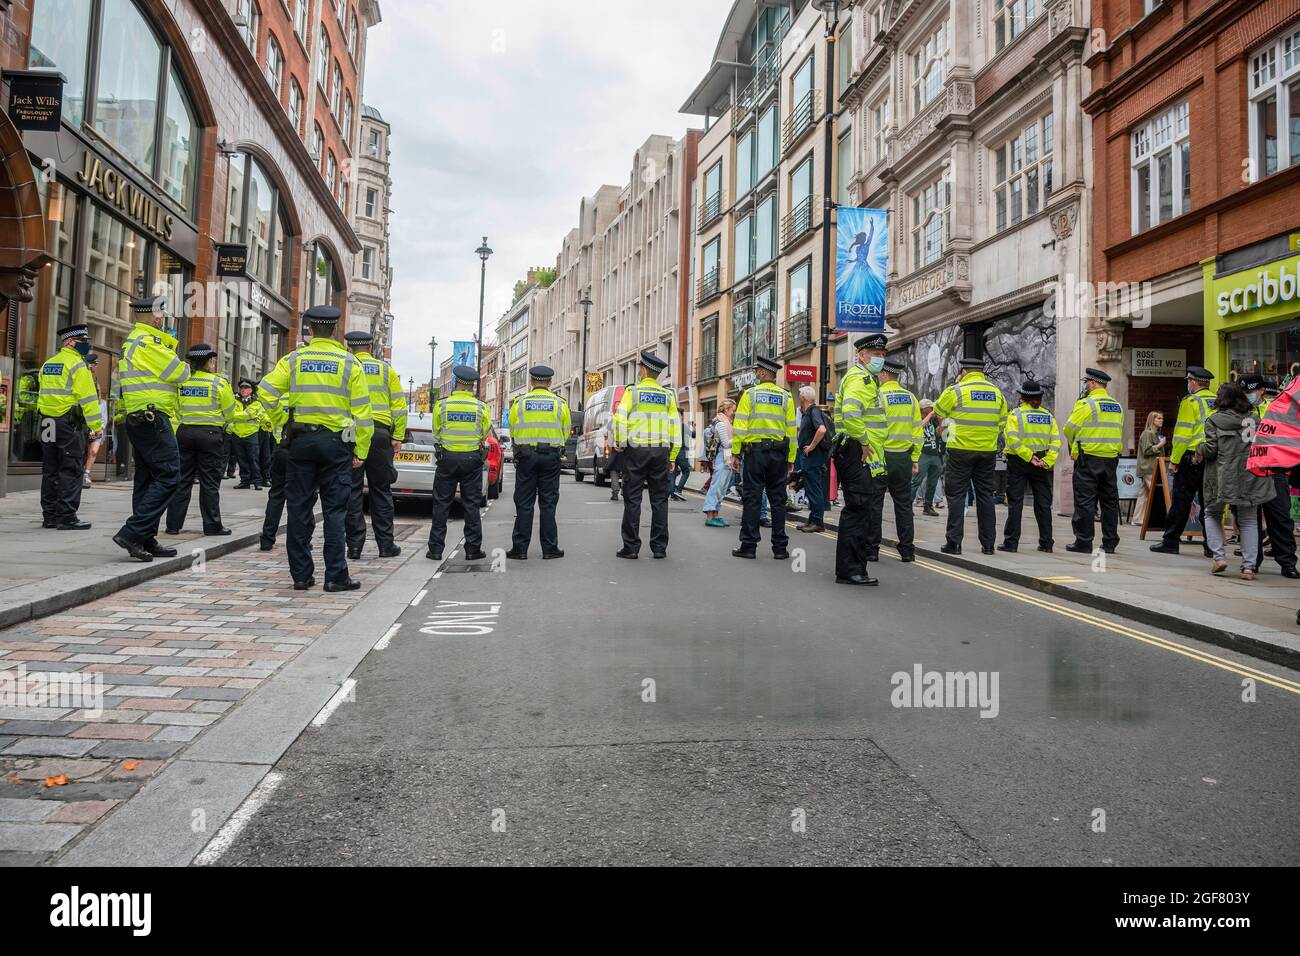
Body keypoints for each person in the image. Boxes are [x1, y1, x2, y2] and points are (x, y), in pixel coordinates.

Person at [257, 305, 372, 592]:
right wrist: (361, 450)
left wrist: (282, 421)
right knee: (335, 511)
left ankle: (300, 575)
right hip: (336, 445)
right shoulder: (349, 363)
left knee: (298, 507)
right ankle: (335, 576)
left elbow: (265, 391)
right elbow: (363, 414)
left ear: (309, 329)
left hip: (300, 442)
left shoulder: (294, 360)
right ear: (334, 330)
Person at [112, 297, 190, 562]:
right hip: (153, 417)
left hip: (139, 417)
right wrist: (174, 350)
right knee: (169, 476)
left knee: (146, 480)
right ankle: (132, 533)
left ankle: (145, 537)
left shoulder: (132, 340)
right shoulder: (149, 342)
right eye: (162, 315)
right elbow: (179, 373)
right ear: (156, 318)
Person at [1201, 381, 1276, 580]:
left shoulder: (1214, 420)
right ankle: (1249, 567)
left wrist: (1199, 450)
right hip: (1250, 474)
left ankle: (1219, 558)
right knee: (1250, 519)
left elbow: (1211, 450)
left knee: (1211, 512)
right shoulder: (1254, 418)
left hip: (1221, 475)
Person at [933, 357, 1008, 555]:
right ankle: (988, 545)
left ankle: (954, 543)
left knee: (957, 496)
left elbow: (939, 409)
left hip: (960, 451)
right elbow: (1002, 423)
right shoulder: (997, 393)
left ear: (964, 372)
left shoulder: (957, 390)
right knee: (985, 496)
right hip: (987, 452)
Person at [831, 333, 889, 585]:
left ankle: (852, 568)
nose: (880, 359)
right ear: (862, 356)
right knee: (858, 510)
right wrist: (864, 441)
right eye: (876, 355)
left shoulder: (866, 379)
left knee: (859, 509)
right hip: (857, 450)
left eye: (883, 355)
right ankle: (851, 570)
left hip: (857, 450)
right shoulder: (860, 379)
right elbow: (852, 413)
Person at [164, 344, 239, 536]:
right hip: (210, 435)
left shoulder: (183, 382)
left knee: (182, 481)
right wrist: (225, 424)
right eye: (211, 359)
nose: (213, 362)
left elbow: (175, 407)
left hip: (185, 432)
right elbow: (231, 411)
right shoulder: (218, 383)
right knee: (210, 482)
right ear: (207, 361)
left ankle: (173, 525)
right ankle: (212, 525)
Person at [344, 330, 405, 560]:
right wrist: (397, 436)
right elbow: (398, 406)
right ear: (370, 348)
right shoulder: (386, 370)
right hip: (380, 434)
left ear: (350, 348)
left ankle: (355, 546)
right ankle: (385, 545)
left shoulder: (347, 366)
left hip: (352, 432)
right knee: (381, 491)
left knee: (352, 491)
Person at [613, 350, 679, 559]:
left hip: (636, 451)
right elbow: (675, 427)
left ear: (643, 369)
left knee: (632, 499)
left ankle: (631, 548)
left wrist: (620, 442)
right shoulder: (668, 395)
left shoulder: (633, 392)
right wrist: (673, 456)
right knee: (659, 500)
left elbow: (620, 418)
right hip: (661, 452)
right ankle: (659, 548)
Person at [37, 323, 102, 530]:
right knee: (71, 469)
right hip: (68, 424)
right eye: (82, 342)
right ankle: (66, 517)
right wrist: (96, 426)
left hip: (47, 422)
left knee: (50, 470)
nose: (85, 346)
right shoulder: (77, 364)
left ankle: (49, 516)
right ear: (70, 342)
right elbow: (89, 399)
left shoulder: (48, 364)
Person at [731, 355, 796, 560]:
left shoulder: (750, 394)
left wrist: (735, 453)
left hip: (755, 454)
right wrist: (790, 459)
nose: (756, 374)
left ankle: (749, 546)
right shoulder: (787, 397)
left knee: (752, 498)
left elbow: (740, 426)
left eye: (757, 371)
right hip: (778, 455)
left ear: (761, 373)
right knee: (778, 501)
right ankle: (779, 548)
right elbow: (792, 432)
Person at [429, 365, 492, 561]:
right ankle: (472, 549)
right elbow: (485, 433)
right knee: (471, 505)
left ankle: (436, 550)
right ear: (472, 386)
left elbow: (436, 433)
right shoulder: (481, 407)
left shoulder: (442, 405)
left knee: (441, 504)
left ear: (456, 383)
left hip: (447, 459)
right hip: (471, 460)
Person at [1150, 366, 1216, 555]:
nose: (1188, 384)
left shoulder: (1190, 402)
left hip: (1191, 458)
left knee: (1181, 501)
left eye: (1188, 380)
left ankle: (1170, 541)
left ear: (1193, 382)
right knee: (1209, 504)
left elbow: (1182, 435)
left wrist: (1174, 461)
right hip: (1212, 457)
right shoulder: (1217, 401)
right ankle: (1212, 546)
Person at [1063, 368, 1124, 554]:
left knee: (1085, 501)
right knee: (1109, 503)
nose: (1085, 385)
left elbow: (1069, 429)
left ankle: (1084, 541)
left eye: (1086, 382)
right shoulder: (1117, 405)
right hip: (1111, 460)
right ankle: (1110, 542)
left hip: (1088, 459)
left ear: (1092, 383)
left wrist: (1075, 446)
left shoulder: (1086, 404)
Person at [1243, 374, 1298, 577]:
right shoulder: (1243, 412)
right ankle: (1253, 561)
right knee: (1251, 519)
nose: (1248, 396)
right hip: (1252, 470)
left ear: (1262, 390)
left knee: (1281, 517)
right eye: (1245, 392)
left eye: (1251, 392)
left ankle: (1287, 563)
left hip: (1275, 470)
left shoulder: (1276, 407)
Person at [998, 380, 1060, 553]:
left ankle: (1011, 543)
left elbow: (1012, 439)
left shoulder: (1015, 415)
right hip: (1041, 461)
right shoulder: (1048, 416)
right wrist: (1047, 460)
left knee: (1015, 502)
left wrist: (1028, 456)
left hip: (1018, 460)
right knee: (1043, 504)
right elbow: (1055, 442)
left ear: (1022, 397)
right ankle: (1047, 543)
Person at [874, 358, 921, 560]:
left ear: (884, 374)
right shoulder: (911, 398)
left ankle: (872, 549)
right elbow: (917, 431)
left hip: (882, 457)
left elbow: (873, 429)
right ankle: (907, 550)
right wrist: (915, 457)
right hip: (903, 458)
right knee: (903, 505)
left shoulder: (877, 396)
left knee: (875, 504)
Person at [259, 402, 316, 551]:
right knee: (305, 496)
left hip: (281, 449)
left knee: (276, 495)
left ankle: (267, 538)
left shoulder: (279, 398)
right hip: (303, 451)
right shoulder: (307, 397)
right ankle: (303, 539)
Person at [794, 387, 830, 533]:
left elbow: (821, 430)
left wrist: (811, 447)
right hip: (810, 458)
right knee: (810, 489)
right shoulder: (808, 412)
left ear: (804, 397)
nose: (799, 397)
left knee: (814, 490)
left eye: (800, 394)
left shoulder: (813, 411)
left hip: (813, 458)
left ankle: (818, 522)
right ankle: (812, 519)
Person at [701, 398, 737, 527]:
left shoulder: (726, 422)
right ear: (726, 409)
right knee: (716, 487)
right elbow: (726, 443)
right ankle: (710, 517)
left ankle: (716, 514)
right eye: (733, 410)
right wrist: (740, 438)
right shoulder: (721, 424)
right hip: (722, 456)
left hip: (726, 456)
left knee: (722, 489)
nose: (734, 412)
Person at [1133, 410, 1166, 526]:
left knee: (1144, 494)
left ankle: (1138, 519)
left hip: (1153, 467)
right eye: (1158, 418)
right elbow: (1147, 450)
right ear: (1152, 420)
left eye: (1162, 418)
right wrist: (1160, 445)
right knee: (1156, 493)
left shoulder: (1157, 434)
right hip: (1149, 467)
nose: (1161, 420)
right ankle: (1155, 518)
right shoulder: (1148, 433)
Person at [230, 379, 265, 489]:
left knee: (253, 459)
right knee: (241, 459)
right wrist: (246, 415)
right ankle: (245, 481)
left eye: (246, 388)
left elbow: (244, 414)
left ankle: (257, 482)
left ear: (251, 390)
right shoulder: (234, 400)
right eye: (241, 388)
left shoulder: (256, 402)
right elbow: (231, 413)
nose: (243, 390)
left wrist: (239, 415)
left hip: (251, 433)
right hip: (237, 433)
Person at [912, 400, 944, 515]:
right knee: (916, 481)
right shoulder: (917, 417)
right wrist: (930, 415)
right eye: (929, 408)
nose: (932, 409)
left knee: (932, 482)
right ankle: (907, 506)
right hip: (922, 454)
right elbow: (919, 427)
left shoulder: (933, 420)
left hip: (934, 453)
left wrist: (940, 423)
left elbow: (938, 434)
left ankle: (928, 506)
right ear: (923, 409)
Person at [81, 352, 105, 490]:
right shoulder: (85, 376)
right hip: (85, 420)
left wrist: (98, 425)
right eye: (95, 364)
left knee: (93, 451)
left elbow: (97, 402)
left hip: (94, 420)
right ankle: (81, 474)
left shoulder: (95, 380)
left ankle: (86, 474)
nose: (96, 367)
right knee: (83, 451)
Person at [670, 396, 694, 501]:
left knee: (673, 473)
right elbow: (693, 435)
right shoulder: (683, 426)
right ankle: (678, 490)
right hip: (681, 452)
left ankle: (672, 494)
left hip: (672, 452)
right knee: (686, 471)